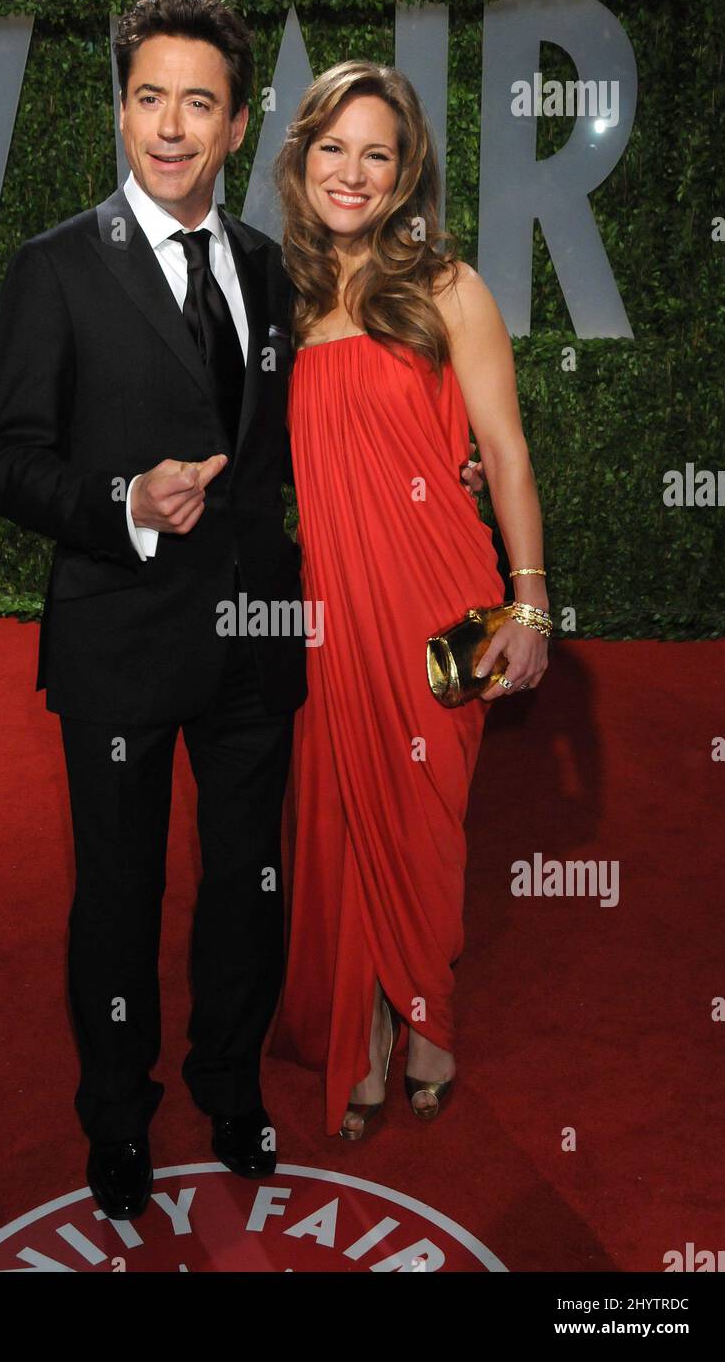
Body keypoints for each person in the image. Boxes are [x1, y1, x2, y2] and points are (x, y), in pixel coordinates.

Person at [0, 0, 484, 1219]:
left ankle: (228, 1087)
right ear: (120, 109)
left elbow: (326, 431)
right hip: (116, 642)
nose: (167, 125)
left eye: (195, 101)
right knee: (118, 895)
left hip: (257, 643)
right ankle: (118, 1115)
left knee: (245, 882)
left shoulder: (276, 269)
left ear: (234, 121)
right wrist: (128, 501)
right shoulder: (54, 266)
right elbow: (9, 462)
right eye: (147, 95)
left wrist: (446, 458)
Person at [269, 62, 550, 1138]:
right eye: (331, 148)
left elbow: (505, 456)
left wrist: (527, 606)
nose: (351, 171)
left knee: (427, 824)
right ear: (299, 161)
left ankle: (427, 1018)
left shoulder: (447, 287)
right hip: (333, 609)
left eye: (375, 152)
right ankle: (368, 1031)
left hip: (442, 602)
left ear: (404, 173)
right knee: (340, 821)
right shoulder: (282, 303)